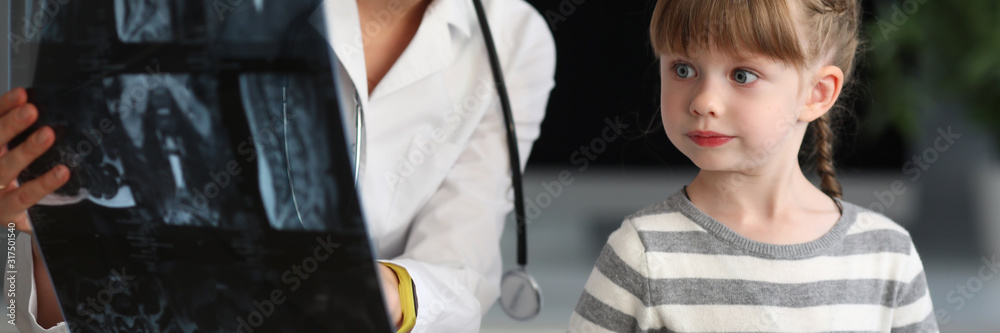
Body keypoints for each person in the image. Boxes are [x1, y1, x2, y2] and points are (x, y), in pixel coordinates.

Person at [0, 0, 555, 332]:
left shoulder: (514, 37)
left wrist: (373, 292)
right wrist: (35, 238)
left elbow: (460, 271)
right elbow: (47, 298)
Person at [568, 0, 938, 332]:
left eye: (742, 75)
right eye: (683, 69)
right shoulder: (642, 254)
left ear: (817, 93)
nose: (704, 102)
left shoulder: (887, 256)